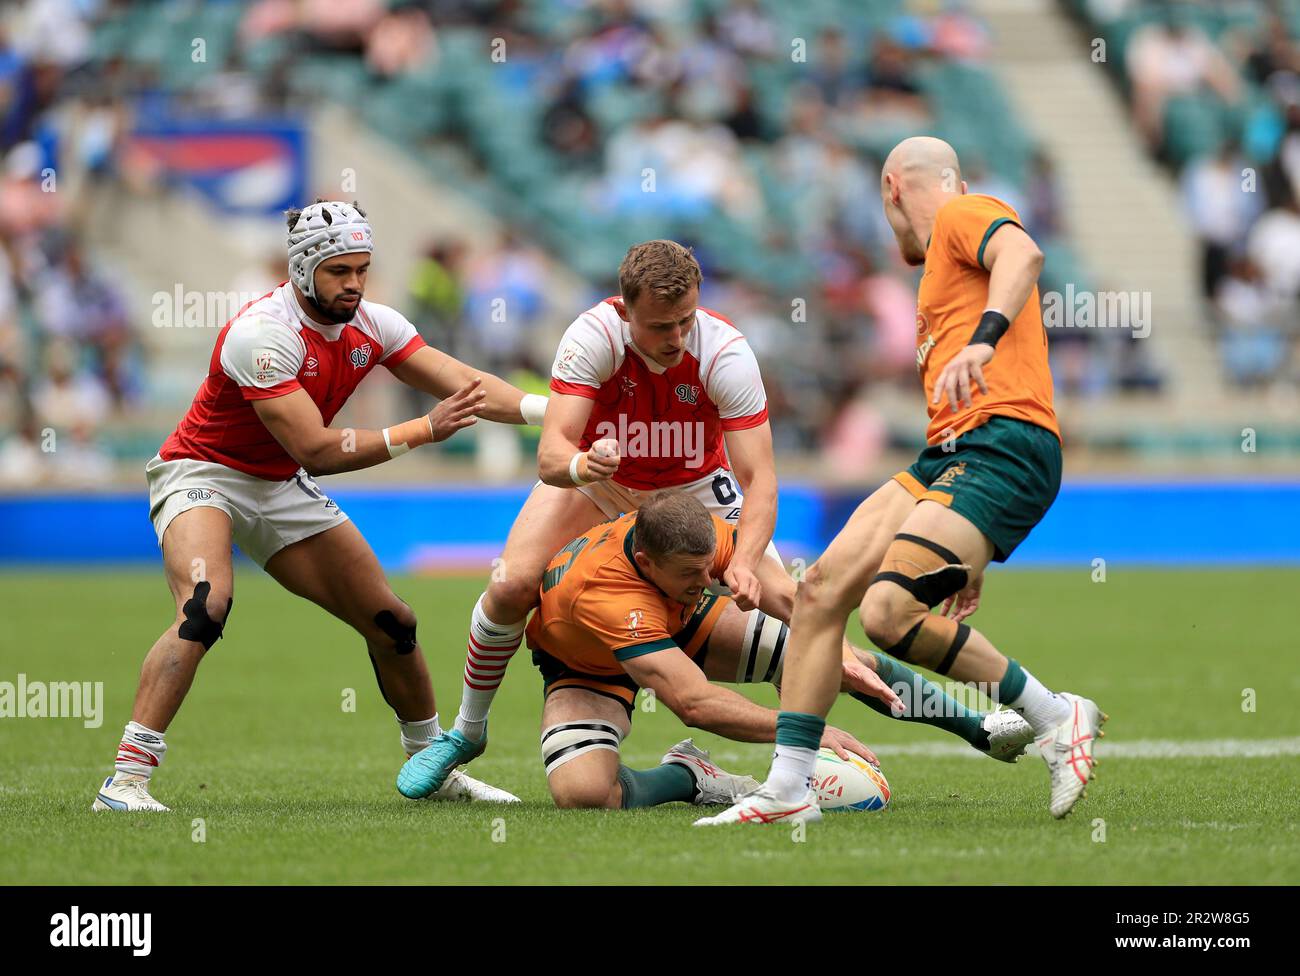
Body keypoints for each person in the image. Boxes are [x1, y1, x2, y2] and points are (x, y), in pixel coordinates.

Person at [700, 137, 1105, 827]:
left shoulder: (960, 213)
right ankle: (789, 789)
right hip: (949, 460)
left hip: (1002, 445)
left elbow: (1024, 254)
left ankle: (1054, 713)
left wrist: (985, 336)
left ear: (892, 189)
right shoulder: (938, 278)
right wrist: (958, 545)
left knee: (887, 615)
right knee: (820, 592)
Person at [92, 200, 548, 812]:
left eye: (362, 268)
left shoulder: (374, 323)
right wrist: (422, 430)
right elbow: (317, 450)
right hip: (203, 474)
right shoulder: (261, 334)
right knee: (206, 607)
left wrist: (548, 415)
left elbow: (461, 382)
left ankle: (431, 768)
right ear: (303, 269)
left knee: (393, 622)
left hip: (277, 483)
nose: (355, 283)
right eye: (340, 270)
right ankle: (125, 782)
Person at [397, 239, 786, 798]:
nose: (676, 337)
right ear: (625, 311)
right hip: (602, 484)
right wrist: (584, 462)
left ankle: (908, 713)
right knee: (510, 583)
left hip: (694, 494)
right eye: (660, 326)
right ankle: (468, 731)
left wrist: (746, 563)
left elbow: (761, 480)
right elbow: (552, 457)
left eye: (685, 320)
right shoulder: (592, 335)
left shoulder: (725, 349)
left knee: (790, 601)